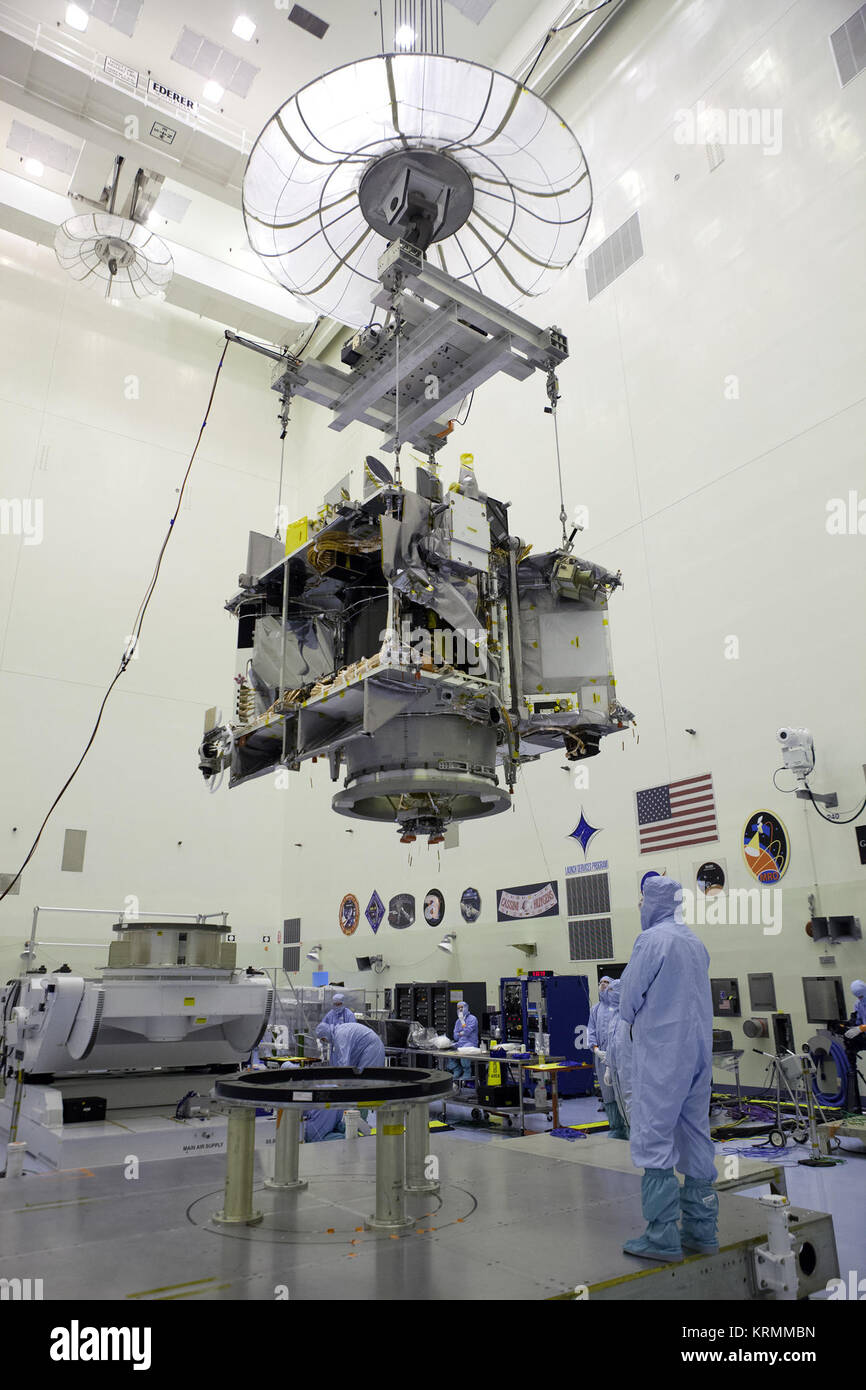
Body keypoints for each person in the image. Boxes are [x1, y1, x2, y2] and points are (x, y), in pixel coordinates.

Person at [619, 874, 717, 1263]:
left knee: (653, 1135)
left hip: (663, 1054)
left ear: (655, 902)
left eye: (643, 900)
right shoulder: (695, 941)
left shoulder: (652, 941)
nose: (641, 906)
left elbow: (628, 1001)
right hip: (698, 1054)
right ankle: (701, 1229)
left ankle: (662, 1236)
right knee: (695, 1133)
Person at [603, 978, 631, 1140]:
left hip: (629, 1069)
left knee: (631, 1103)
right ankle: (627, 1131)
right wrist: (608, 1066)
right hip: (616, 1068)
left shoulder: (628, 1017)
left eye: (614, 990)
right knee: (621, 1102)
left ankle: (636, 1135)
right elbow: (612, 1044)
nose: (610, 993)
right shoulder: (614, 1016)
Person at [587, 976, 615, 1113]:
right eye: (601, 982)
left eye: (606, 982)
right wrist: (596, 1050)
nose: (603, 984)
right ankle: (615, 1126)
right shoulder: (595, 1009)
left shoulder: (618, 1007)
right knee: (606, 1091)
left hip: (617, 1055)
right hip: (601, 1056)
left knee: (621, 1090)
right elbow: (590, 1031)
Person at [446, 1002, 479, 1082]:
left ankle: (467, 1071)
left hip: (471, 1043)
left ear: (466, 1008)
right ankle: (457, 1069)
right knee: (448, 1049)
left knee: (464, 1051)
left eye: (462, 1008)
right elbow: (456, 1036)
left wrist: (462, 1023)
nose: (460, 1010)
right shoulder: (458, 1022)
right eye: (458, 1008)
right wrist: (460, 1032)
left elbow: (467, 1031)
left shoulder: (472, 1019)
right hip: (460, 1043)